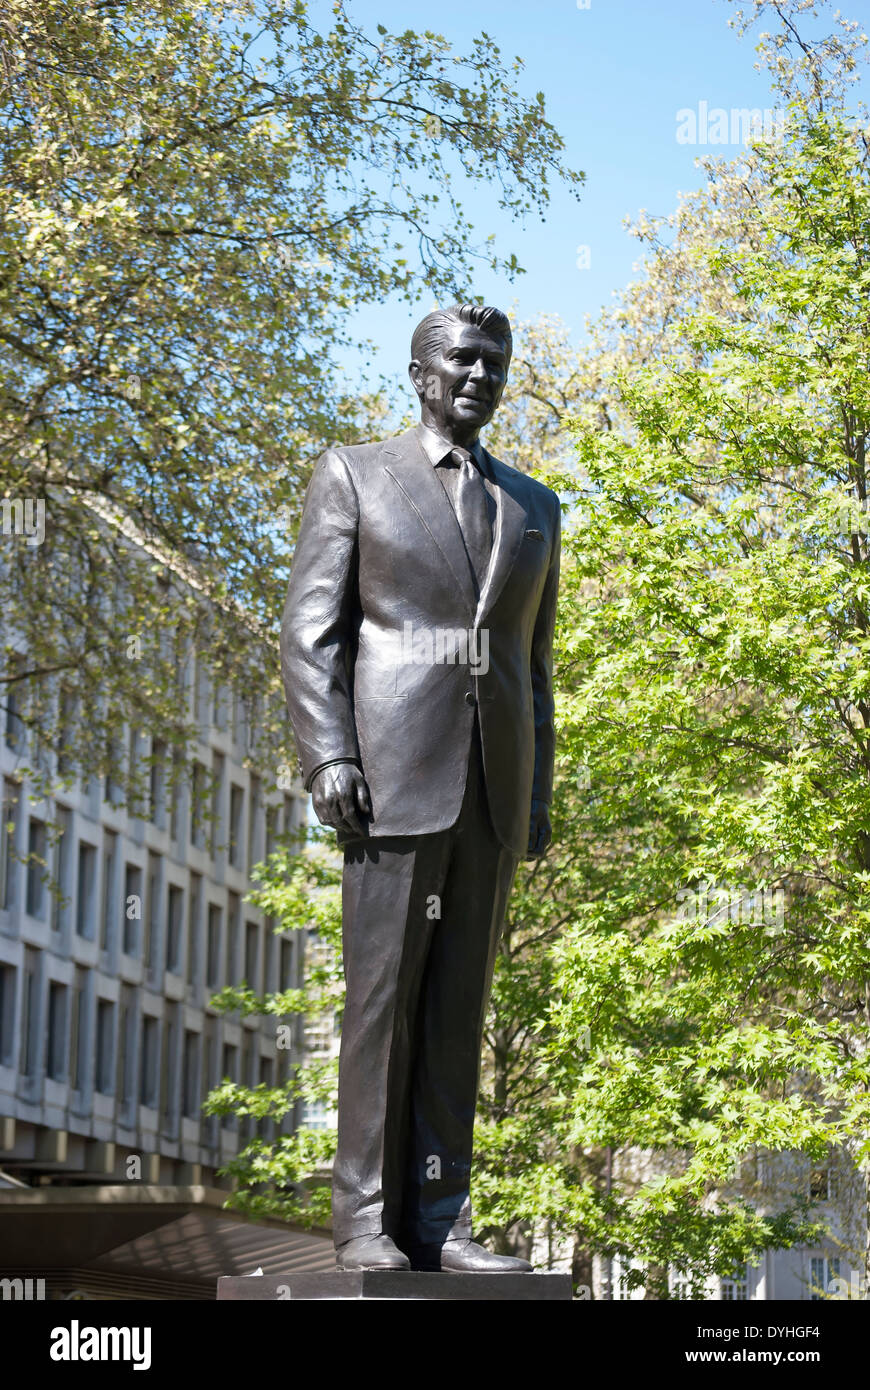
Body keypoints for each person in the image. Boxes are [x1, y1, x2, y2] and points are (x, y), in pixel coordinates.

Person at [280, 303, 560, 1272]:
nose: (481, 374)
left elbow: (535, 668)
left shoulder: (535, 508)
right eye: (462, 358)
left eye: (496, 361)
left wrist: (535, 798)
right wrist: (329, 756)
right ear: (419, 372)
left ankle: (441, 1217)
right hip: (391, 780)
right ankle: (362, 1217)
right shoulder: (355, 475)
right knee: (383, 1003)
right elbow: (312, 631)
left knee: (457, 1011)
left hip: (490, 792)